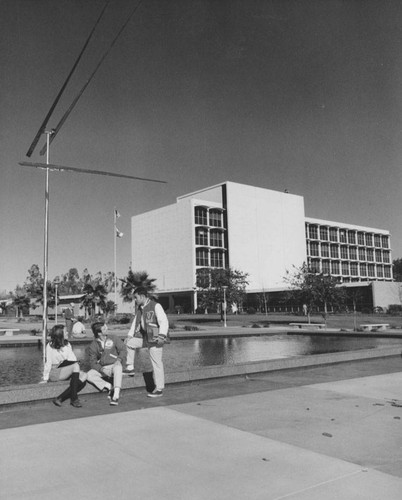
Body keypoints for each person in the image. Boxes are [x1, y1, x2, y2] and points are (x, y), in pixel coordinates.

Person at [125, 287, 169, 398]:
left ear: (142, 296)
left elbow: (163, 321)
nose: (135, 300)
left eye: (136, 297)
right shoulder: (140, 308)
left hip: (155, 337)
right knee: (129, 343)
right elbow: (135, 322)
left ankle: (159, 389)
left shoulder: (155, 306)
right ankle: (130, 368)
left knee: (156, 363)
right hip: (145, 338)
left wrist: (162, 336)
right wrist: (129, 336)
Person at [41, 324, 87, 408]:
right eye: (65, 331)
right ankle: (74, 399)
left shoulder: (67, 344)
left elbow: (72, 359)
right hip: (55, 371)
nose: (67, 333)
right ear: (60, 334)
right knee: (76, 366)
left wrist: (75, 364)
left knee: (84, 375)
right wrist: (45, 378)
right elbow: (48, 363)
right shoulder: (50, 345)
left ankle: (60, 397)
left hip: (66, 370)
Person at [86, 322, 125, 406]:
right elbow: (92, 362)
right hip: (103, 368)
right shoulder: (93, 345)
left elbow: (123, 350)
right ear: (99, 333)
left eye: (106, 327)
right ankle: (109, 386)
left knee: (118, 367)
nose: (107, 329)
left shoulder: (114, 338)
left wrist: (119, 359)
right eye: (104, 328)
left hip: (114, 365)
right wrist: (101, 369)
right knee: (88, 375)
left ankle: (116, 396)